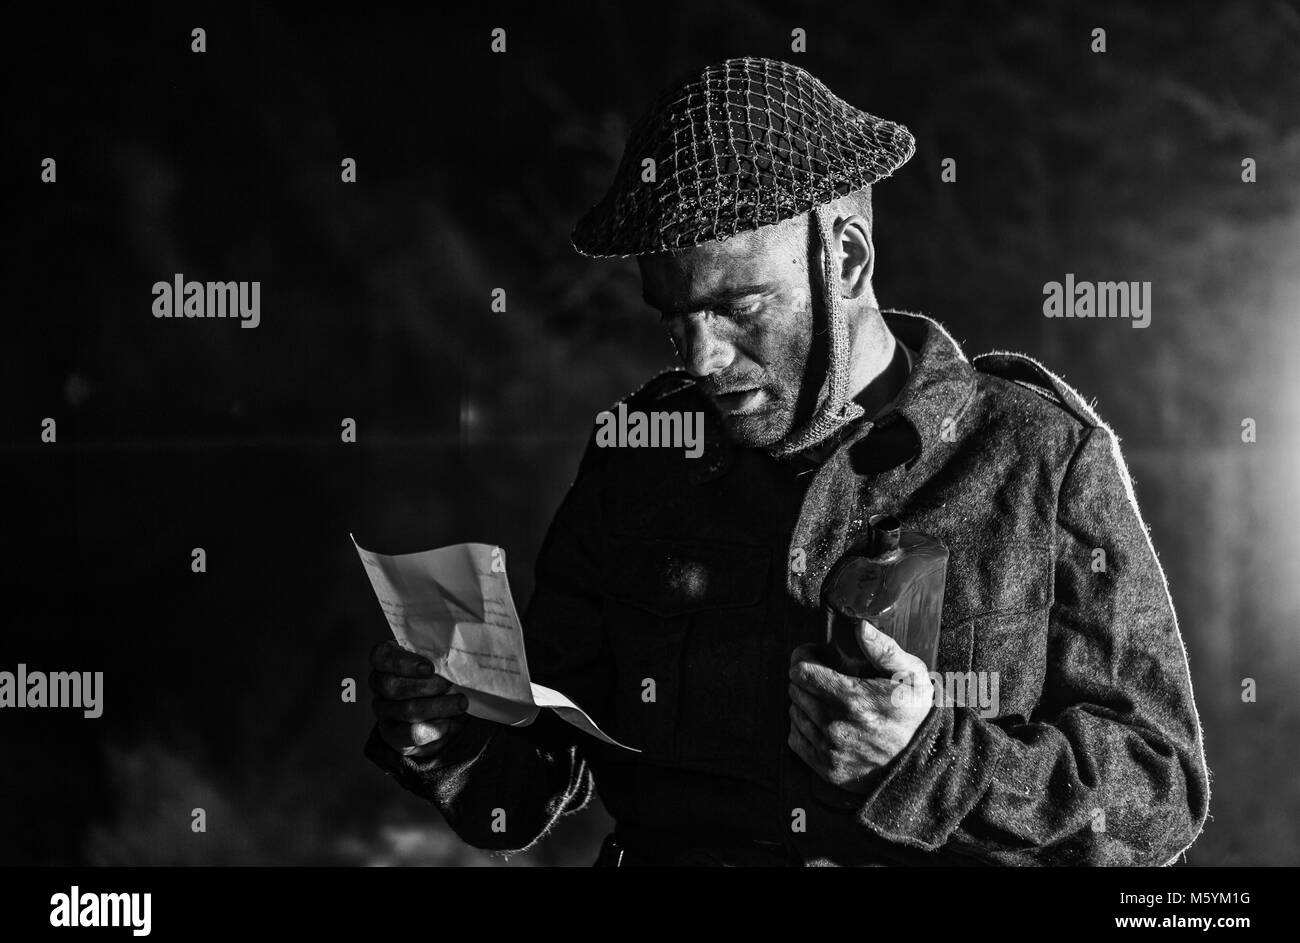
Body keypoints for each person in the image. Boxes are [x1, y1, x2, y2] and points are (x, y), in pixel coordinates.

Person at [364, 56, 1210, 866]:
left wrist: (927, 761)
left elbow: (1156, 797)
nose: (700, 357)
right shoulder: (643, 456)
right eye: (674, 314)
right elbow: (534, 778)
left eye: (736, 307)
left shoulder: (1034, 456)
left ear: (845, 258)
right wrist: (453, 739)